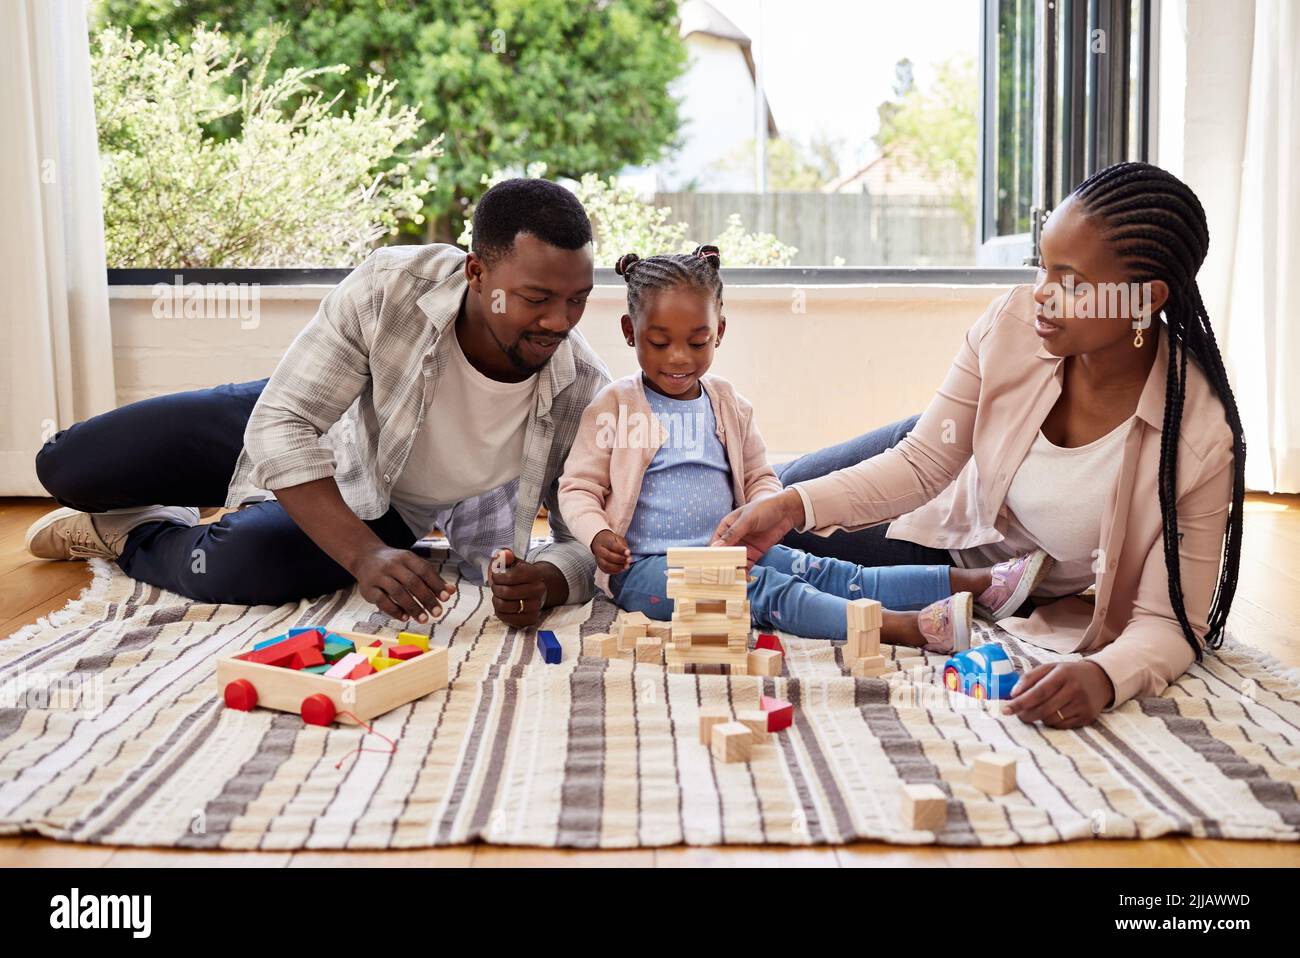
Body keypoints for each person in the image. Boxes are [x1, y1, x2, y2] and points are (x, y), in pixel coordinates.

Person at [713, 161, 1245, 728]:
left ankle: (984, 590)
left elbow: (1169, 621)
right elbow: (920, 466)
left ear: (1143, 298)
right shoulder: (1013, 323)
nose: (1041, 294)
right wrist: (794, 505)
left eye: (1071, 282)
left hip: (972, 566)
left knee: (767, 562)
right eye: (1043, 267)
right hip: (935, 480)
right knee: (754, 505)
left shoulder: (1197, 438)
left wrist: (1105, 676)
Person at [26, 178, 611, 629]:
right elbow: (284, 422)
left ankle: (129, 533)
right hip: (303, 415)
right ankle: (123, 495)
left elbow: (579, 535)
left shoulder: (579, 387)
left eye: (577, 299)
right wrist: (360, 558)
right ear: (477, 272)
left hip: (377, 498)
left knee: (243, 564)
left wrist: (550, 581)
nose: (559, 322)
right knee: (66, 466)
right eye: (536, 298)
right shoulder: (394, 286)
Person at [558, 246, 1050, 651]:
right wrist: (598, 532)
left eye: (698, 341)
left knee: (830, 570)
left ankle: (977, 584)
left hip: (730, 553)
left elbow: (761, 478)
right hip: (646, 572)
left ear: (720, 333)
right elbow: (578, 486)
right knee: (767, 591)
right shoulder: (616, 406)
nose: (680, 358)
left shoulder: (728, 403)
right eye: (659, 343)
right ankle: (898, 627)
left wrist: (757, 510)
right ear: (630, 333)